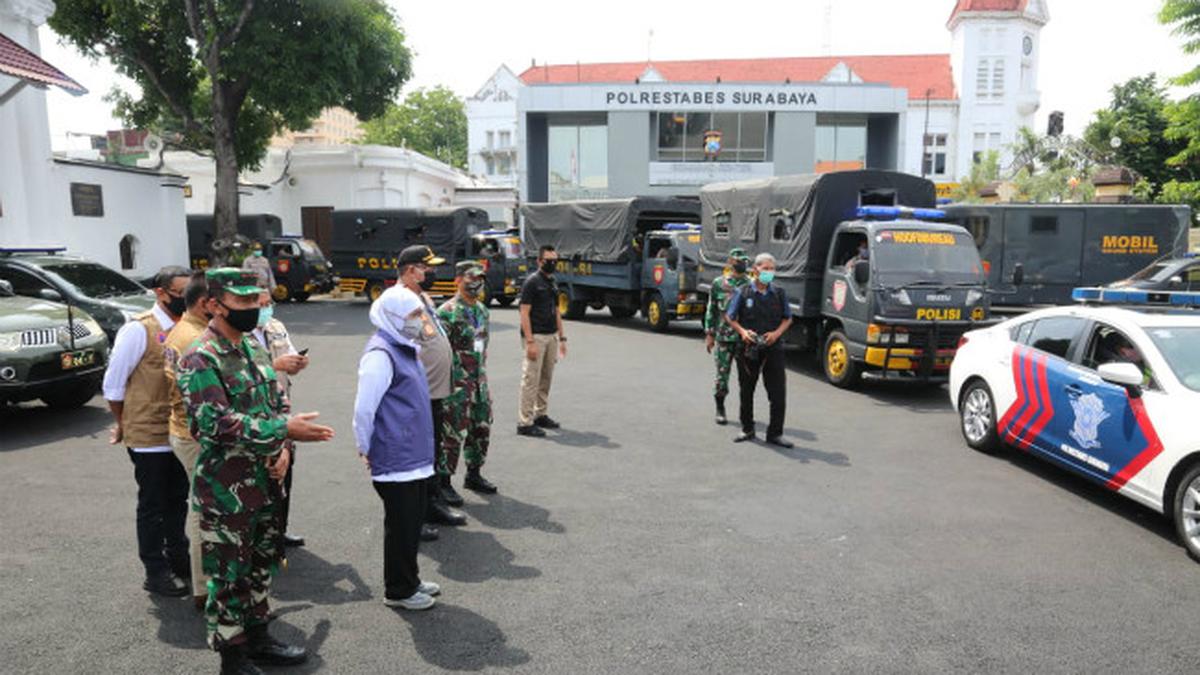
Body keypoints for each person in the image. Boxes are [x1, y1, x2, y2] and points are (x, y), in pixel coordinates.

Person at [177, 268, 334, 674]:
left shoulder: (252, 346)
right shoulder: (200, 356)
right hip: (226, 489)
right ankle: (233, 658)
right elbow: (213, 423)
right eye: (243, 301)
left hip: (265, 481)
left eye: (255, 300)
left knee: (261, 564)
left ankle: (259, 638)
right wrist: (284, 431)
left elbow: (276, 400)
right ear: (214, 304)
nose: (254, 307)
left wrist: (283, 446)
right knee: (229, 575)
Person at [103, 265, 194, 598]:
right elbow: (113, 386)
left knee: (178, 500)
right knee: (153, 504)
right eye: (181, 293)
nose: (186, 299)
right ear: (161, 293)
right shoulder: (139, 329)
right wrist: (124, 423)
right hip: (148, 435)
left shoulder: (188, 327)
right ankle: (155, 571)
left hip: (179, 431)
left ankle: (179, 558)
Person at [353, 286, 442, 611]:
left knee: (412, 523)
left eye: (420, 313)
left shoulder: (404, 346)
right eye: (413, 315)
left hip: (414, 456)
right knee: (401, 526)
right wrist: (365, 446)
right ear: (392, 317)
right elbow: (364, 409)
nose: (420, 320)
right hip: (396, 458)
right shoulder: (380, 354)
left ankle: (410, 579)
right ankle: (399, 590)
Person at [396, 245, 467, 532]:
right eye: (427, 268)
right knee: (416, 456)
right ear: (410, 270)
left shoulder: (421, 297)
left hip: (433, 393)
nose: (433, 272)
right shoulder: (399, 301)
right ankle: (414, 517)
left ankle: (432, 505)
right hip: (415, 394)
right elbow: (399, 349)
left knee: (432, 452)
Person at [162, 271, 212, 609]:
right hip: (195, 435)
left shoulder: (182, 330)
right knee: (203, 512)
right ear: (206, 303)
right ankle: (204, 588)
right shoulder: (194, 339)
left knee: (201, 508)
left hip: (182, 430)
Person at [251, 284, 310, 548]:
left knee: (285, 473)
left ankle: (280, 530)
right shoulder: (237, 333)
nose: (266, 309)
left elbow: (290, 359)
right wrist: (274, 365)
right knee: (260, 478)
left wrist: (298, 363)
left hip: (281, 408)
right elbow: (238, 374)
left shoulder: (275, 327)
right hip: (255, 415)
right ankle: (258, 537)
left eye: (269, 303)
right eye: (261, 304)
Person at [437, 262, 498, 496]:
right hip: (456, 384)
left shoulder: (482, 311)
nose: (476, 283)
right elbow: (440, 353)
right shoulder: (446, 312)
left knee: (480, 428)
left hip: (479, 382)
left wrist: (480, 376)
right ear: (458, 280)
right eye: (471, 278)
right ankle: (444, 482)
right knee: (452, 433)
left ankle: (474, 474)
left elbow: (482, 345)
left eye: (480, 278)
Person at [726, 253, 794, 448]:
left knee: (778, 393)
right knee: (747, 390)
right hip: (749, 348)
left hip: (773, 347)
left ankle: (775, 434)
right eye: (765, 269)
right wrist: (743, 332)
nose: (769, 272)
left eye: (772, 269)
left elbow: (788, 318)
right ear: (756, 269)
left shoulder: (779, 293)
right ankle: (747, 428)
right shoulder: (743, 292)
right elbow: (730, 317)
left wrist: (776, 333)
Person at [517, 245, 567, 437]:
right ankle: (524, 421)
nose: (552, 264)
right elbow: (524, 313)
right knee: (531, 379)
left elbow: (557, 311)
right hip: (536, 336)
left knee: (546, 378)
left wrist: (562, 337)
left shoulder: (552, 282)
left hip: (551, 335)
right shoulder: (532, 282)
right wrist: (530, 341)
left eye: (555, 260)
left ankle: (540, 414)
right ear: (539, 261)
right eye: (548, 261)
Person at [704, 248, 752, 426]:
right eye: (738, 261)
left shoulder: (751, 285)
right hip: (724, 338)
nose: (741, 264)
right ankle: (720, 408)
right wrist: (710, 334)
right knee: (722, 375)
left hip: (744, 339)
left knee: (746, 378)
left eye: (744, 261)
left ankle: (745, 413)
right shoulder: (719, 283)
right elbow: (711, 309)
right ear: (730, 262)